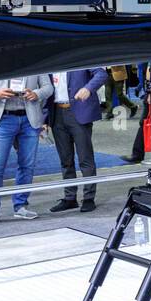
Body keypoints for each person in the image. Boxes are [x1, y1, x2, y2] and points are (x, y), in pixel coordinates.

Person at [0, 74, 53, 226]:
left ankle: (21, 205)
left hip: (29, 120)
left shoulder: (35, 60)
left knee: (27, 165)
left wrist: (37, 94)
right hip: (2, 119)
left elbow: (48, 88)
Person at [48, 67, 108, 214]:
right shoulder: (52, 60)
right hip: (57, 113)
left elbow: (101, 74)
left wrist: (88, 88)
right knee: (65, 160)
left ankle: (88, 198)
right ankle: (70, 198)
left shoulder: (78, 56)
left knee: (85, 158)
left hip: (79, 112)